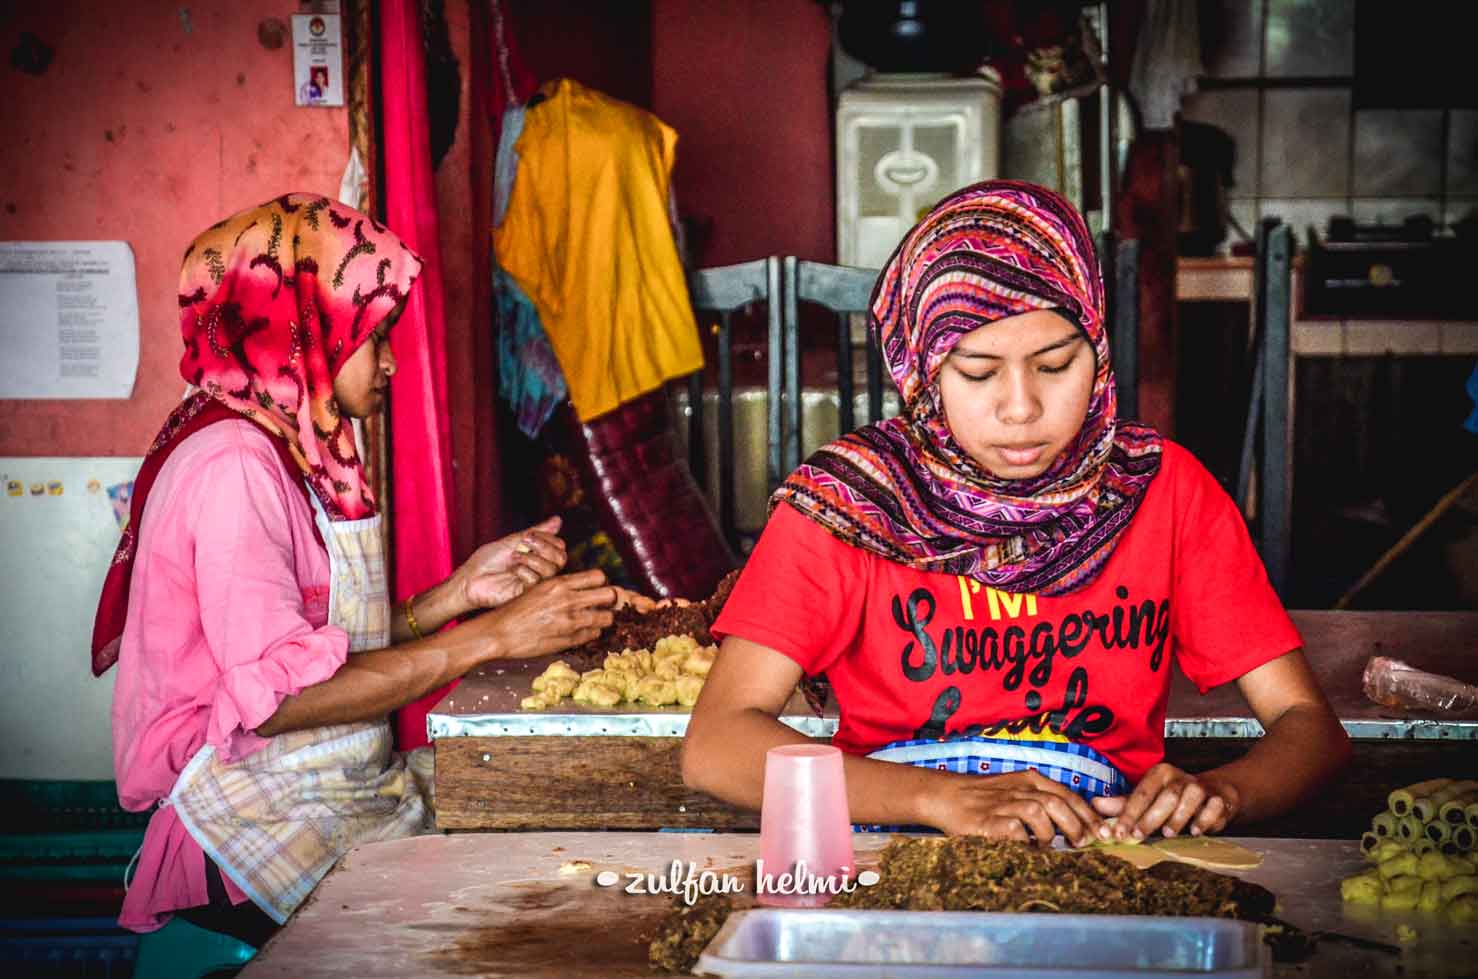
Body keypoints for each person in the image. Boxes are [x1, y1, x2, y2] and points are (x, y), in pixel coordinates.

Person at [684, 181, 1351, 847]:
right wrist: (939, 797)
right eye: (978, 373)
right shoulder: (853, 504)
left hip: (1101, 857)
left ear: (1097, 350)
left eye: (1055, 365)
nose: (1022, 408)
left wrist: (1224, 791)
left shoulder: (1162, 490)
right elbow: (717, 745)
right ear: (922, 372)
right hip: (888, 857)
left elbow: (1308, 725)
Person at [92, 193, 617, 942]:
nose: (392, 363)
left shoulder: (296, 445)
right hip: (243, 822)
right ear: (305, 327)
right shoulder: (235, 464)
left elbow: (310, 649)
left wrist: (455, 595)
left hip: (303, 791)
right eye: (376, 338)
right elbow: (275, 702)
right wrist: (493, 637)